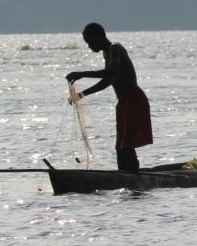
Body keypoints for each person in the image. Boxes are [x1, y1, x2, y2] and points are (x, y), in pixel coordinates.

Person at [65, 23, 152, 171]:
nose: (89, 46)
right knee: (120, 146)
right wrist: (81, 94)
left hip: (134, 100)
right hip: (123, 103)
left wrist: (81, 73)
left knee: (127, 145)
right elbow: (107, 81)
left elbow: (111, 72)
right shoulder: (107, 53)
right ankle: (123, 176)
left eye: (90, 42)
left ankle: (134, 178)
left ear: (99, 36)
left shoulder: (115, 48)